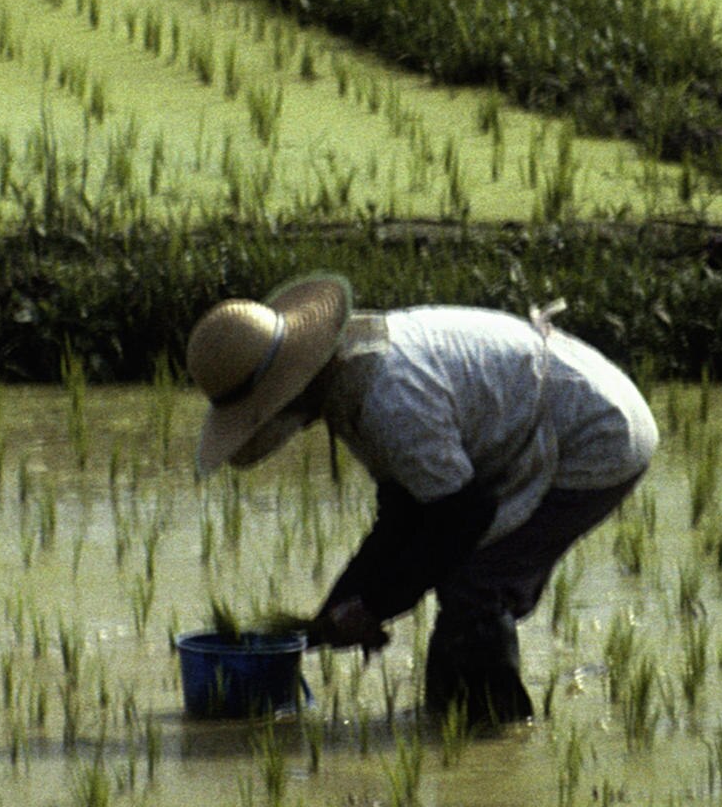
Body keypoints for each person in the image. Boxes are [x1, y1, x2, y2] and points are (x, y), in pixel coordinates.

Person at [181, 277, 657, 733]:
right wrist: (341, 605)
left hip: (598, 435)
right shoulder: (348, 381)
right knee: (461, 577)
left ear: (290, 388)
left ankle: (492, 737)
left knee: (475, 585)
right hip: (550, 412)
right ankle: (449, 721)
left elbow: (461, 517)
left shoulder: (389, 398)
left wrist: (375, 606)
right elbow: (404, 509)